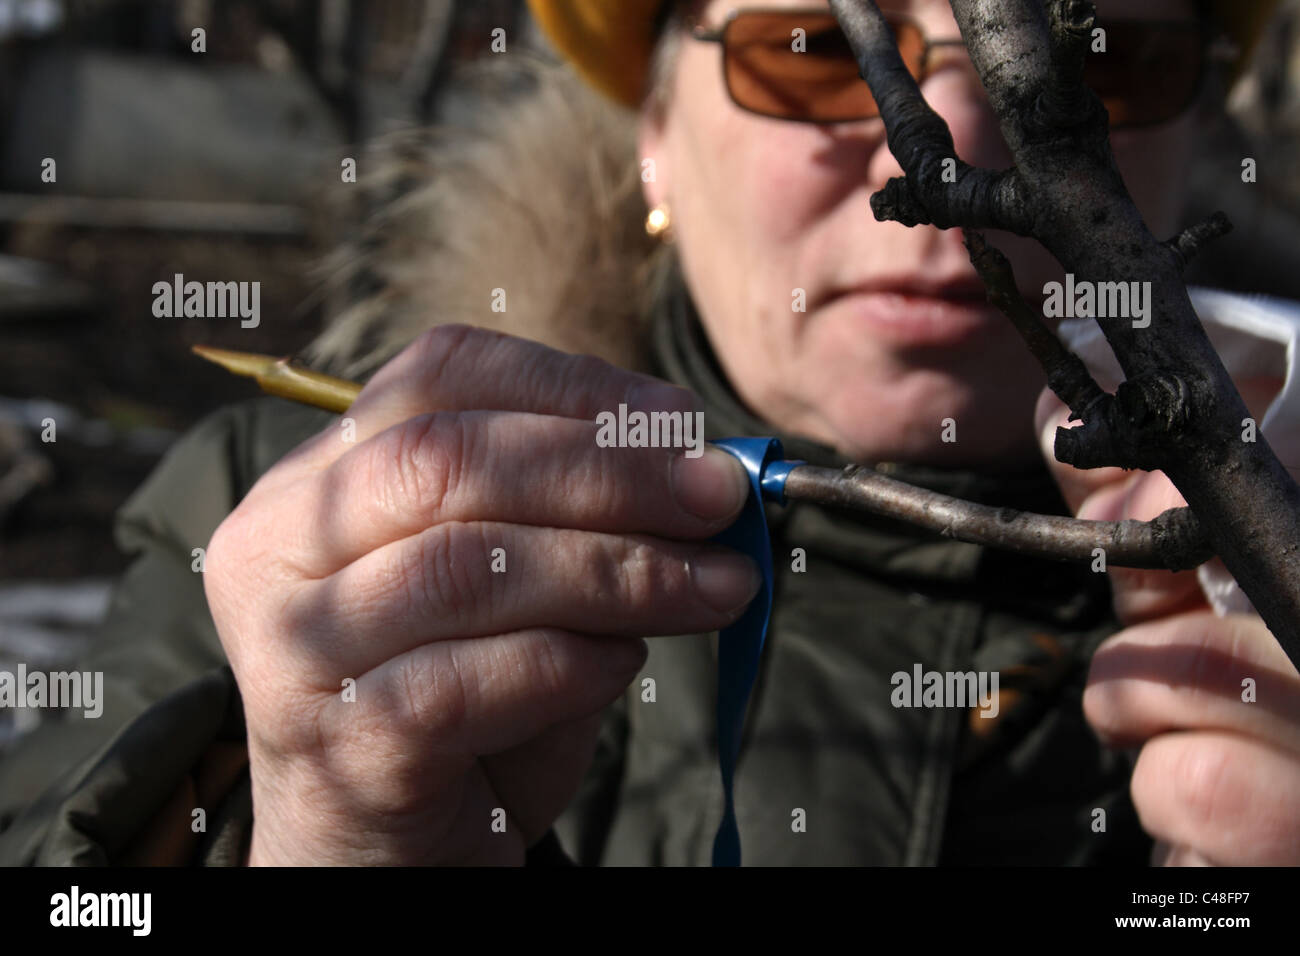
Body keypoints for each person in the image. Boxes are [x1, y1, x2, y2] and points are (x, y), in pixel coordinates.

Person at [1, 0, 1296, 866]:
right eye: (813, 45)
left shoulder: (1274, 594)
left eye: (1098, 63)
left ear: (1193, 139)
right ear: (656, 138)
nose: (952, 140)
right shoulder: (294, 531)